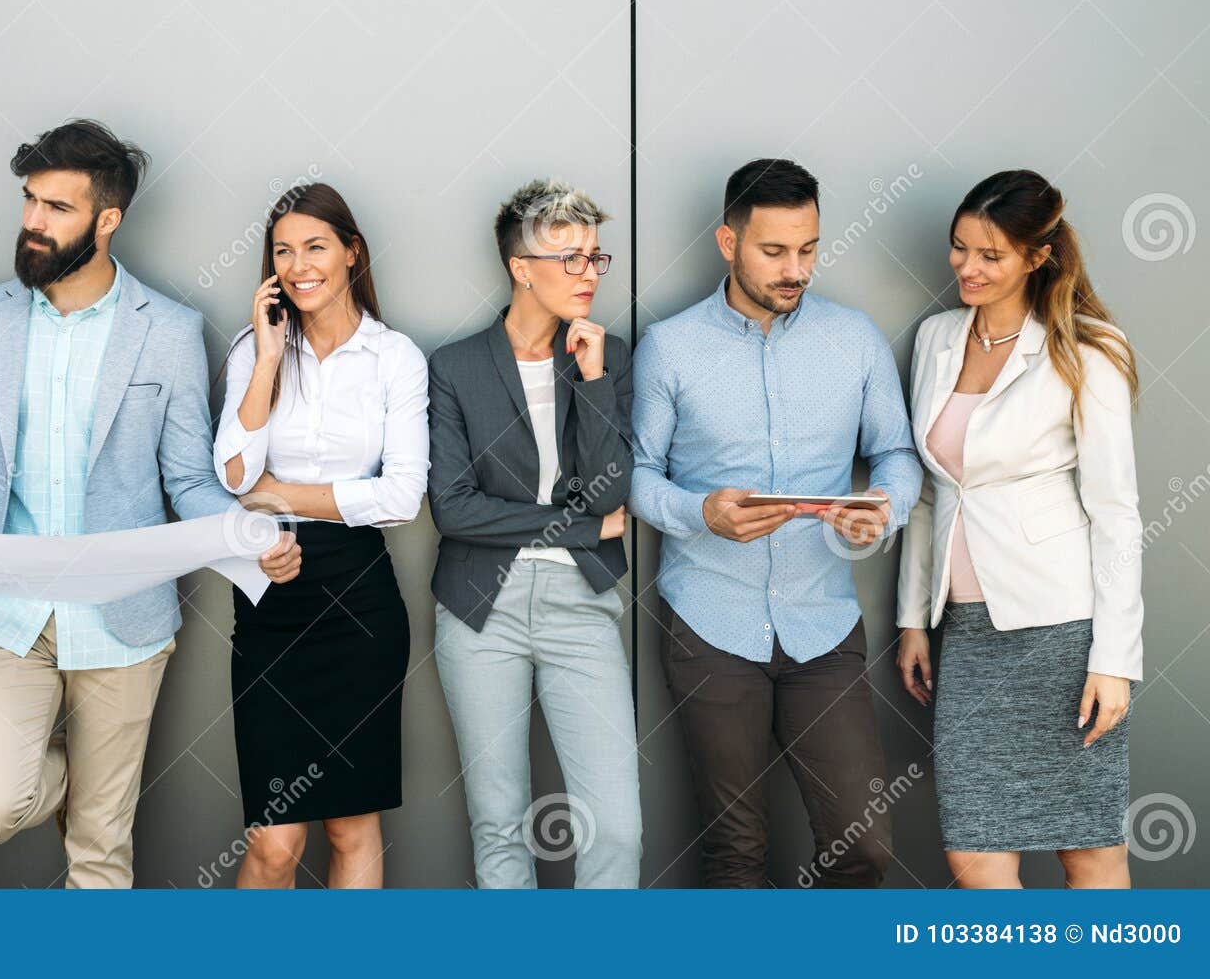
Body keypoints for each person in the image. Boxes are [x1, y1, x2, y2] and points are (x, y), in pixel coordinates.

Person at [0, 120, 300, 888]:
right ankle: (67, 787)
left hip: (124, 618)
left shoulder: (167, 331)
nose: (33, 221)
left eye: (57, 207)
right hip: (4, 611)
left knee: (100, 853)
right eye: (30, 200)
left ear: (107, 220)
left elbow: (187, 480)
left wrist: (251, 536)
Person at [629, 157, 922, 887]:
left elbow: (895, 452)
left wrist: (882, 511)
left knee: (863, 845)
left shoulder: (854, 340)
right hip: (709, 623)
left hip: (823, 624)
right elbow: (635, 474)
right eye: (774, 251)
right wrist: (699, 512)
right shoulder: (670, 346)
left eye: (809, 248)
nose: (796, 269)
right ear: (728, 242)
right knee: (735, 852)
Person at [896, 170, 1142, 889]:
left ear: (1038, 256)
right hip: (969, 630)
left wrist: (1114, 659)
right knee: (974, 849)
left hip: (1064, 630)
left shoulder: (1086, 347)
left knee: (1088, 845)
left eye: (991, 255)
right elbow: (927, 491)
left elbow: (1116, 511)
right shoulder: (938, 338)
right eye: (959, 249)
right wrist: (915, 618)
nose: (968, 268)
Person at [213, 181, 428, 888]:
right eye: (284, 251)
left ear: (351, 252)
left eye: (316, 246)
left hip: (359, 603)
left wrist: (283, 492)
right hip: (271, 594)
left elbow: (400, 497)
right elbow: (234, 472)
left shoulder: (394, 357)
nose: (300, 264)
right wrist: (272, 357)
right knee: (274, 842)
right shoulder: (255, 347)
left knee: (351, 827)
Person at [427, 177, 640, 888]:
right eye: (569, 258)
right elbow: (453, 508)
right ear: (522, 269)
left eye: (594, 257)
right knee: (500, 823)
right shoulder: (454, 367)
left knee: (615, 826)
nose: (588, 274)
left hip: (581, 602)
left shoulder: (605, 357)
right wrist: (577, 525)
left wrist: (592, 377)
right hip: (480, 607)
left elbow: (615, 491)